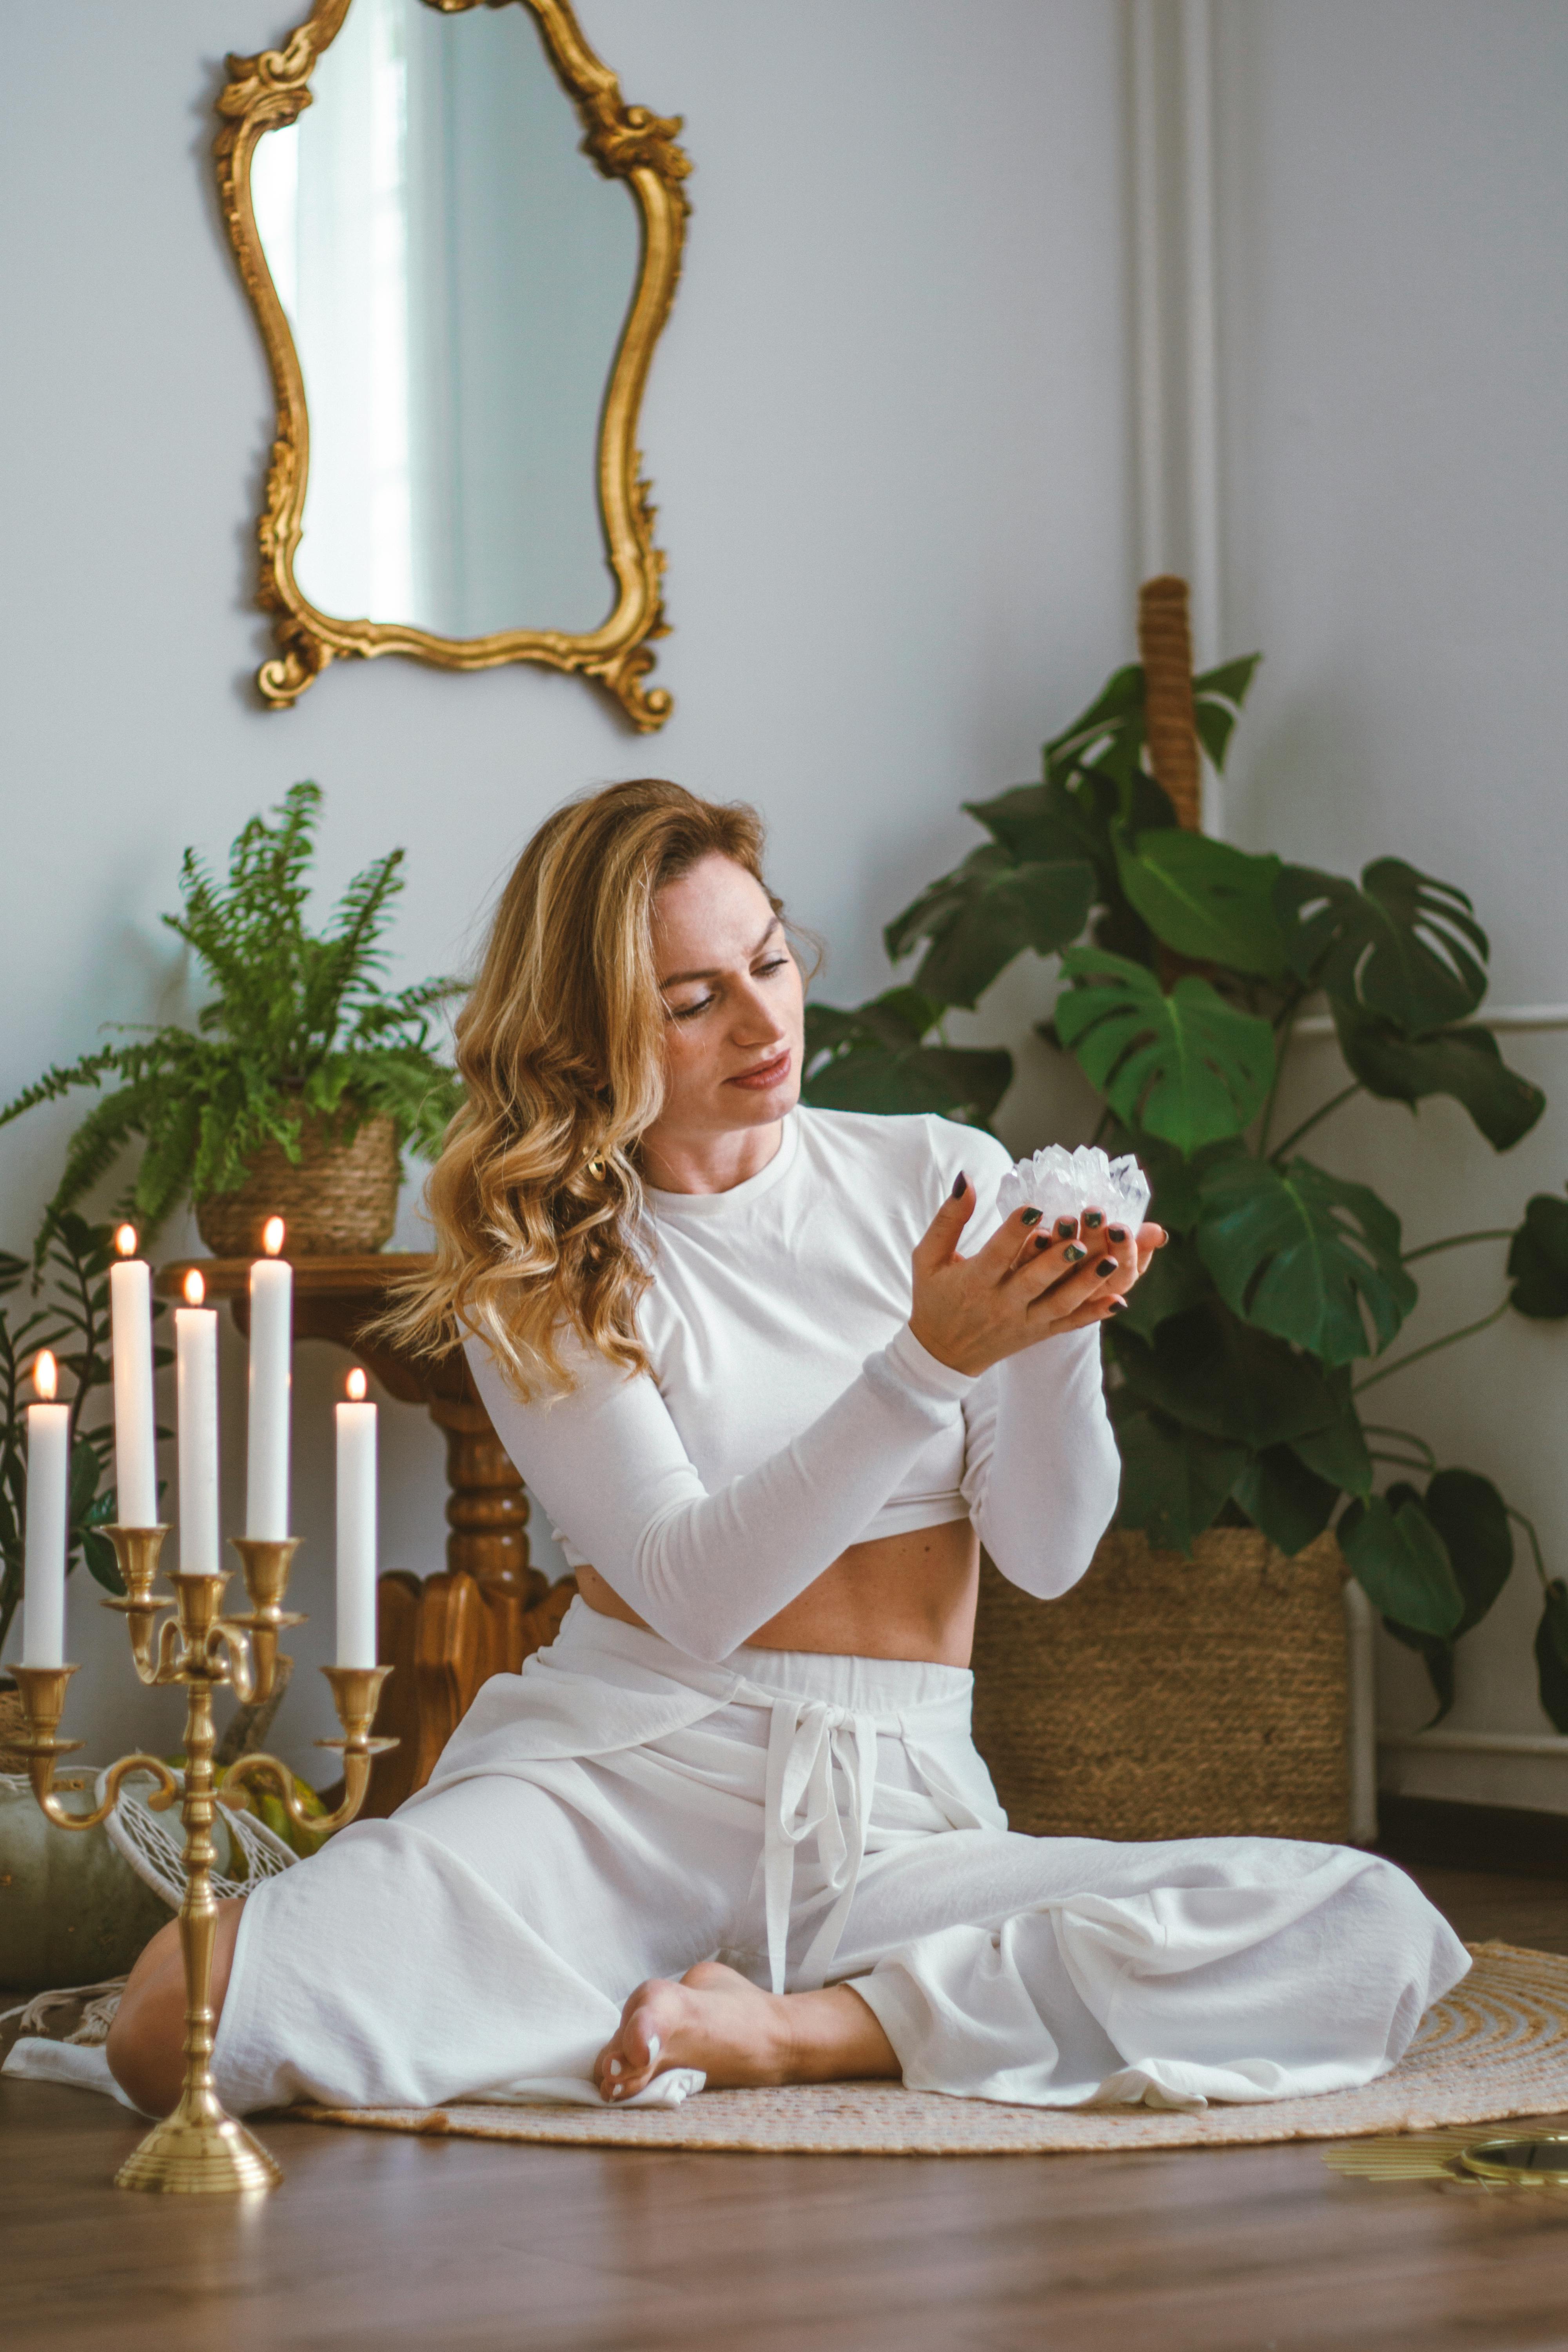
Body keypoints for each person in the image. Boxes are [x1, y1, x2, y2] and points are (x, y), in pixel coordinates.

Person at [109, 780, 1466, 2119]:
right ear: (584, 1039)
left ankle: (800, 2033)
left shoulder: (934, 1173)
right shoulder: (539, 1265)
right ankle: (709, 1995)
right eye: (694, 1000)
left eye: (768, 961)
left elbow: (1049, 1559)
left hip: (894, 1818)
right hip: (617, 1786)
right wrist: (928, 1360)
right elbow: (695, 1594)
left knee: (1366, 1925)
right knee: (174, 2024)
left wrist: (1052, 1329)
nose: (764, 1022)